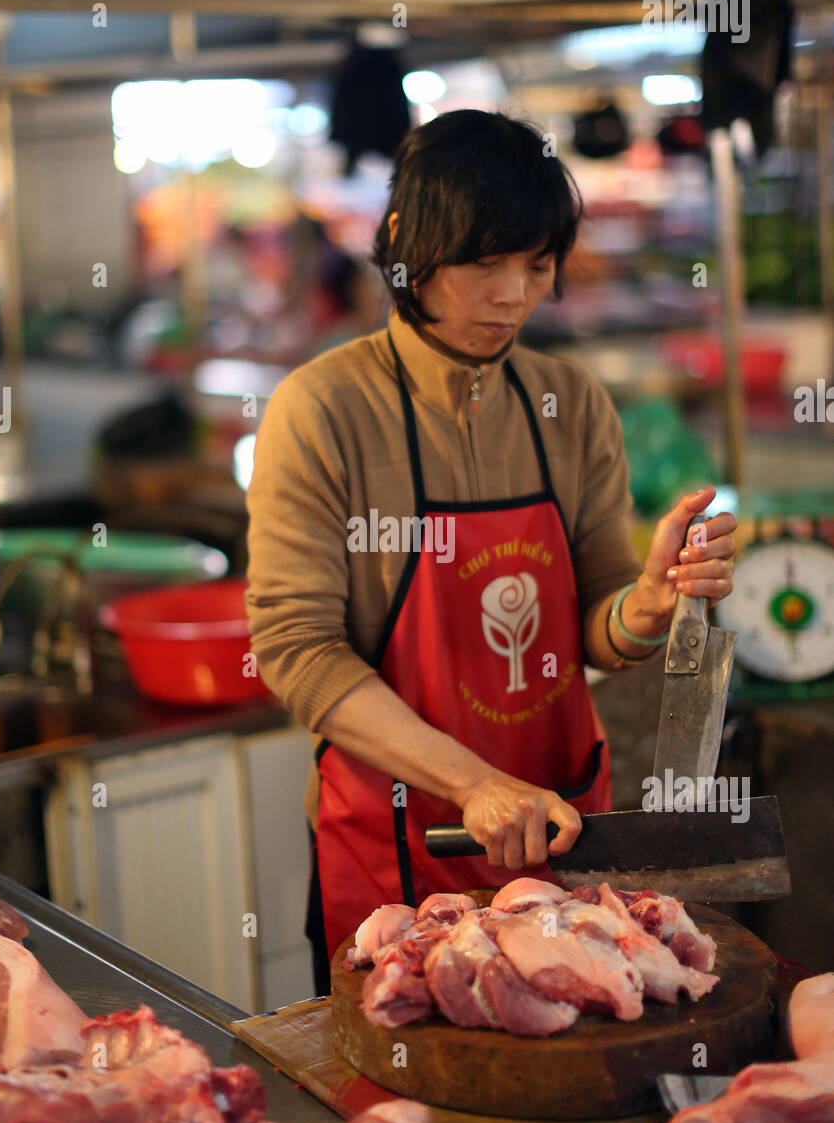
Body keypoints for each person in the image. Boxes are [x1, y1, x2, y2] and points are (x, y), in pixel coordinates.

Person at [245, 110, 737, 992]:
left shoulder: (570, 401)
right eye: (483, 264)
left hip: (559, 837)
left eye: (536, 266)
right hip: (398, 853)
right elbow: (296, 652)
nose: (513, 296)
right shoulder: (322, 411)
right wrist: (475, 785)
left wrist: (647, 608)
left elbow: (598, 622)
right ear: (405, 247)